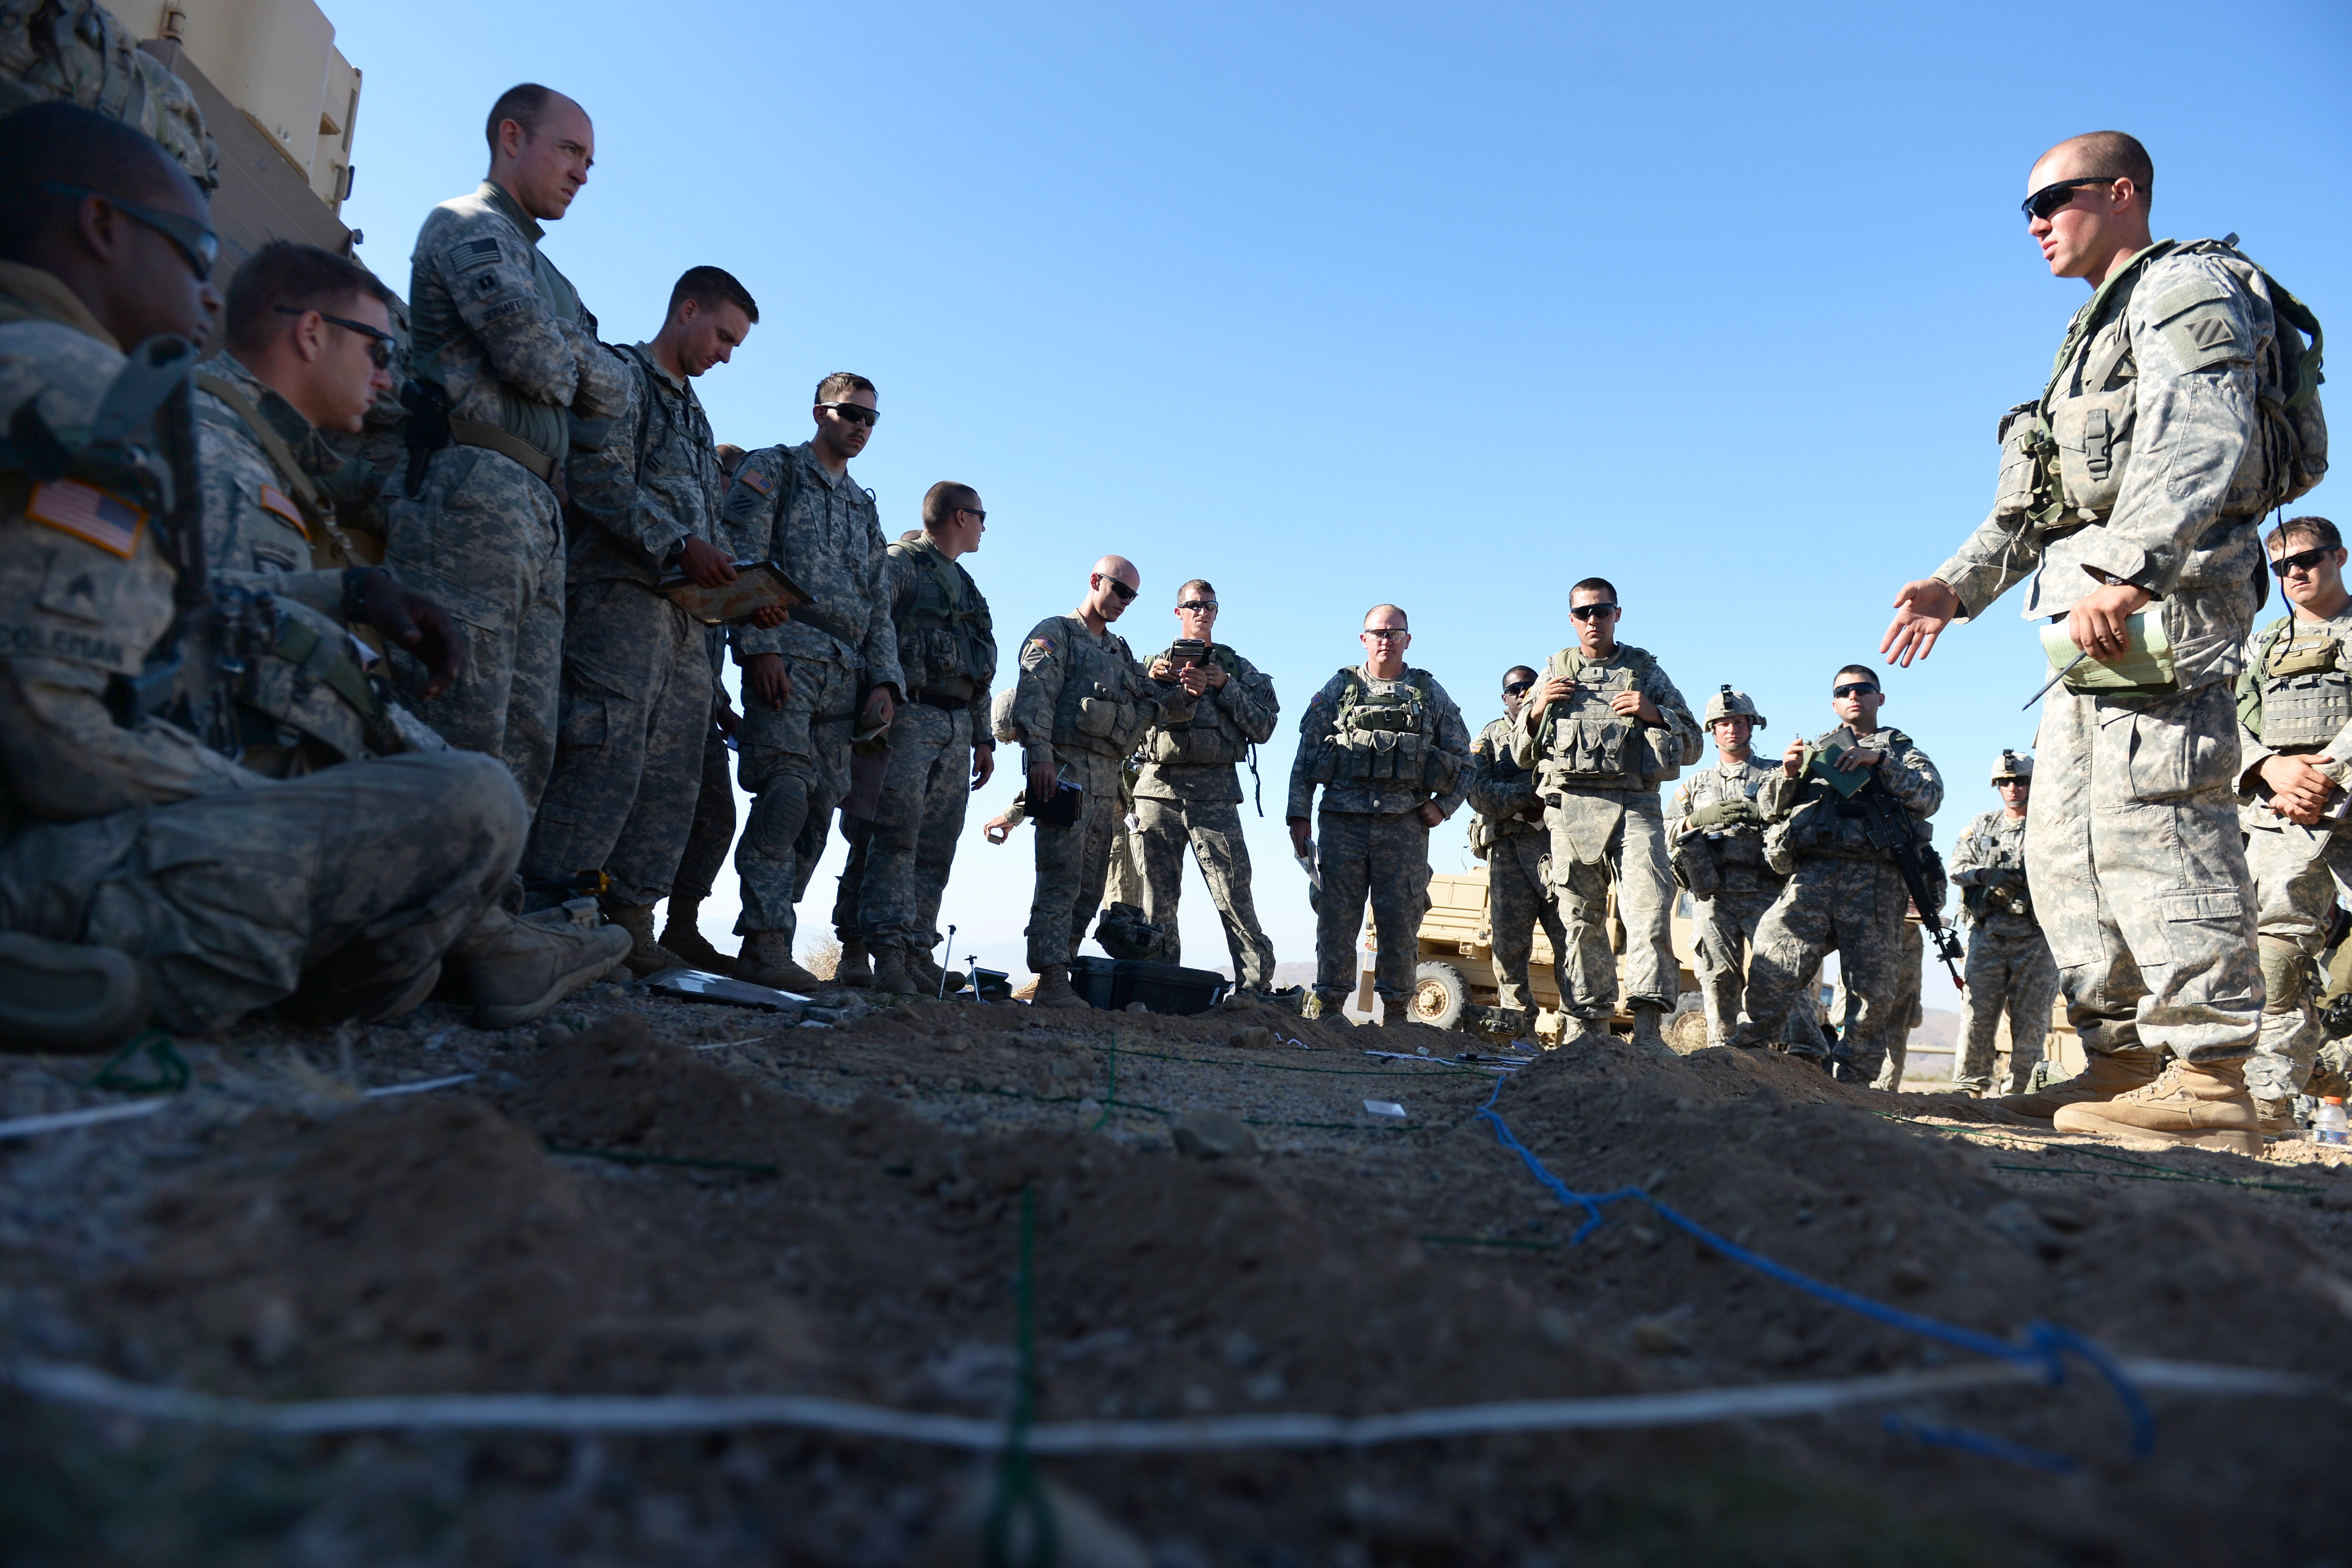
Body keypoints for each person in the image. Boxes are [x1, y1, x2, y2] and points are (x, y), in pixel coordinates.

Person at [0, 103, 629, 1046]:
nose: (210, 294)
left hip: (86, 824)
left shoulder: (94, 386)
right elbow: (51, 727)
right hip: (49, 856)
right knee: (463, 806)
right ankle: (87, 945)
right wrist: (283, 813)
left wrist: (340, 594)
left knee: (449, 810)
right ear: (100, 229)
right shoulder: (87, 392)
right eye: (191, 248)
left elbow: (171, 614)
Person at [1883, 130, 2324, 1153]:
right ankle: (2123, 1063)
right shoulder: (2092, 333)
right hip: (2088, 626)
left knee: (2160, 819)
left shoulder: (2191, 287)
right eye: (2025, 210)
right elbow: (2042, 496)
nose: (2035, 225)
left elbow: (2203, 434)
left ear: (2123, 194)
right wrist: (1956, 585)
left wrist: (2133, 561)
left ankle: (2210, 1076)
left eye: (2053, 201)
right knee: (2069, 845)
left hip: (2166, 603)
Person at [381, 82, 629, 808]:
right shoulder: (467, 227)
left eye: (590, 159)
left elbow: (613, 401)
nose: (583, 171)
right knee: (460, 714)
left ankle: (486, 907)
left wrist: (577, 362)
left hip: (537, 506)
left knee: (526, 733)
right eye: (570, 150)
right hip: (472, 490)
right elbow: (542, 366)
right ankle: (421, 909)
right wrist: (579, 358)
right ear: (512, 138)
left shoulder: (547, 273)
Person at [520, 265, 762, 975]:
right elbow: (594, 477)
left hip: (688, 627)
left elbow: (708, 523)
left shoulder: (696, 416)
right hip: (619, 604)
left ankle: (629, 924)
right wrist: (678, 544)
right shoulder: (621, 377)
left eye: (736, 346)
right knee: (602, 755)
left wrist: (747, 586)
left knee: (669, 777)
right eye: (722, 336)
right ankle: (550, 917)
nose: (725, 354)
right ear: (686, 310)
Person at [193, 240, 449, 777]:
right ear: (311, 334)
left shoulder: (267, 456)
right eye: (378, 353)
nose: (386, 381)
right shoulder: (213, 449)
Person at [719, 372, 900, 991]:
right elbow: (740, 554)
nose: (861, 426)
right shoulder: (776, 471)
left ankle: (776, 935)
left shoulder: (863, 506)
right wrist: (759, 647)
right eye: (851, 413)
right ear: (821, 412)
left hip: (846, 681)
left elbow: (879, 604)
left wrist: (885, 684)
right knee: (785, 796)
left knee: (820, 811)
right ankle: (764, 942)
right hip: (786, 663)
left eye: (871, 419)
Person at [1730, 666, 1944, 1084]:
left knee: (1872, 990)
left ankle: (1854, 1084)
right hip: (1815, 874)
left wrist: (1879, 762)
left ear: (1879, 698)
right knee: (1774, 959)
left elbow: (1930, 795)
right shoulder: (1816, 752)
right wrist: (1789, 772)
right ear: (1833, 703)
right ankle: (1745, 1059)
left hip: (1876, 880)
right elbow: (1768, 806)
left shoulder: (1901, 752)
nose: (1853, 696)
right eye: (1843, 691)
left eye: (1863, 689)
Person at [1514, 578, 1700, 1052]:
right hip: (1570, 808)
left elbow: (1695, 745)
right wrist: (1537, 710)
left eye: (1602, 611)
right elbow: (1519, 752)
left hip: (1634, 805)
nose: (1593, 620)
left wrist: (1656, 713)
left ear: (1618, 614)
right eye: (1583, 613)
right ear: (1571, 619)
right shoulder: (1553, 671)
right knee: (1579, 919)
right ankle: (1588, 1027)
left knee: (1648, 914)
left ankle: (1650, 1030)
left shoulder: (1643, 671)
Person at [832, 483, 997, 995]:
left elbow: (978, 666)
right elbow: (870, 622)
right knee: (890, 836)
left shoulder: (967, 586)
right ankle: (879, 953)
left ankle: (914, 948)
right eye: (981, 516)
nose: (985, 527)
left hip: (954, 727)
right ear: (958, 517)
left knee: (935, 846)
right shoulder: (902, 562)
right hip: (907, 717)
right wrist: (881, 688)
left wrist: (984, 736)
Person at [1011, 556, 1193, 1007]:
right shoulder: (1057, 634)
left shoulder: (1118, 651)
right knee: (1060, 880)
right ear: (1096, 581)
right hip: (1063, 775)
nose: (1125, 602)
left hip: (1106, 785)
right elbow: (1035, 699)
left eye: (1133, 596)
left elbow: (1150, 699)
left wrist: (1185, 691)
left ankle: (1063, 971)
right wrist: (1040, 759)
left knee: (1092, 886)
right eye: (1120, 591)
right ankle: (1051, 977)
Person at [1288, 604, 1471, 1024]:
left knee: (1400, 920)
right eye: (1378, 632)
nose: (1386, 639)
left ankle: (1396, 1015)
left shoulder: (1428, 693)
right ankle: (1331, 1008)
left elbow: (1466, 761)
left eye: (1394, 632)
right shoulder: (1341, 688)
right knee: (1336, 915)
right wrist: (1297, 816)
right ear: (1363, 639)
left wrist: (1443, 807)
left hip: (1404, 826)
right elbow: (1306, 754)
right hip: (1341, 823)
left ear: (1408, 639)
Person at [2238, 517, 2352, 1134]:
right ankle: (2271, 1103)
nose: (2294, 574)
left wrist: (2330, 777)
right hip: (2284, 816)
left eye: (2306, 559)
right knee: (2275, 958)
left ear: (2339, 555)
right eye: (2280, 567)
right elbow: (2226, 718)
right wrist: (2270, 767)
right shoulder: (2264, 646)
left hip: (2334, 798)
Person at [1133, 580, 1281, 992]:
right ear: (1177, 612)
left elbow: (1265, 726)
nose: (1201, 611)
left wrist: (1225, 687)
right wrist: (1152, 683)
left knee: (1234, 894)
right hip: (1156, 792)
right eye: (1193, 605)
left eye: (1209, 605)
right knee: (1155, 901)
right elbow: (1127, 719)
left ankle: (1254, 989)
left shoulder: (1238, 669)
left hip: (1214, 795)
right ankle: (1158, 987)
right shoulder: (1149, 665)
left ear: (1217, 613)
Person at [659, 439, 750, 970]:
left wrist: (722, 704)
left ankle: (681, 926)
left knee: (716, 814)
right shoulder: (682, 538)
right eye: (731, 478)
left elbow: (707, 644)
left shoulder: (723, 548)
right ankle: (621, 920)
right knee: (652, 808)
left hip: (702, 705)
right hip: (658, 694)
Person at [1666, 686, 1785, 1047]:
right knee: (1717, 978)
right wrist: (1696, 820)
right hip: (1711, 892)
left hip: (1766, 891)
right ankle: (1722, 1055)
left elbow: (1800, 824)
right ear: (1712, 731)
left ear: (1752, 725)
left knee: (1777, 973)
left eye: (1738, 722)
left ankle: (1786, 1057)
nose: (1731, 729)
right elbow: (1665, 830)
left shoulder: (1776, 777)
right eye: (1723, 724)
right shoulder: (1695, 786)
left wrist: (1763, 813)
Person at [1948, 751, 2058, 1097]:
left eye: (2021, 781)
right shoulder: (1983, 825)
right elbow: (1956, 868)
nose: (2013, 788)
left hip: (2037, 939)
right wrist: (1986, 875)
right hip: (1988, 934)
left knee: (2031, 1021)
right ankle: (1969, 1089)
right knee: (1977, 1015)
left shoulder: (2052, 823)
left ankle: (2020, 1093)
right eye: (2006, 782)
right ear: (1997, 786)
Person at [1468, 665, 1568, 1026]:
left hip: (1557, 849)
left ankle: (1577, 1026)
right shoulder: (1491, 738)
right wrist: (1530, 795)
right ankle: (1517, 1026)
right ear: (1505, 696)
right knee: (1509, 947)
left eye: (1531, 687)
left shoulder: (1561, 730)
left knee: (1571, 940)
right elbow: (1478, 793)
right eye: (1515, 688)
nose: (1523, 693)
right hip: (1508, 853)